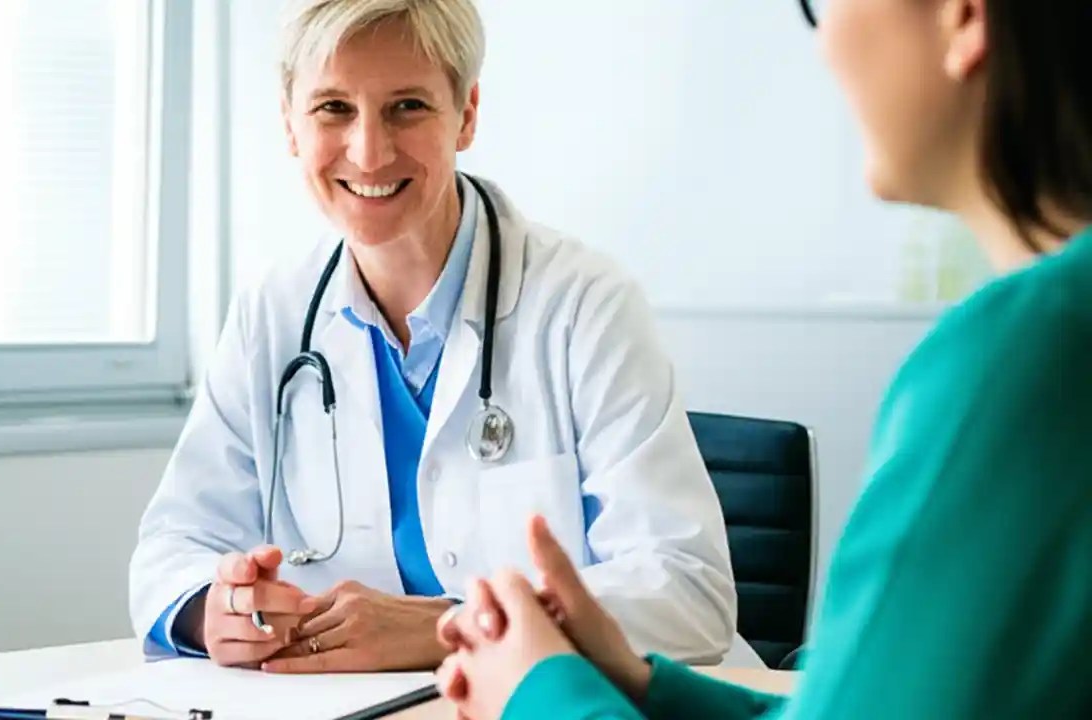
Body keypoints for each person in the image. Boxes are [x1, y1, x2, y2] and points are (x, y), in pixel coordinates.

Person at [435, 0, 1092, 716]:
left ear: (963, 17)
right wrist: (637, 682)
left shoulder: (1021, 364)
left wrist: (534, 692)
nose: (825, 43)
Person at [128, 0, 753, 674]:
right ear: (290, 124)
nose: (369, 151)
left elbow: (685, 591)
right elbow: (173, 545)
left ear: (467, 114)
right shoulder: (271, 314)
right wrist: (214, 608)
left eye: (407, 107)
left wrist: (449, 626)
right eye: (333, 108)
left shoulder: (584, 305)